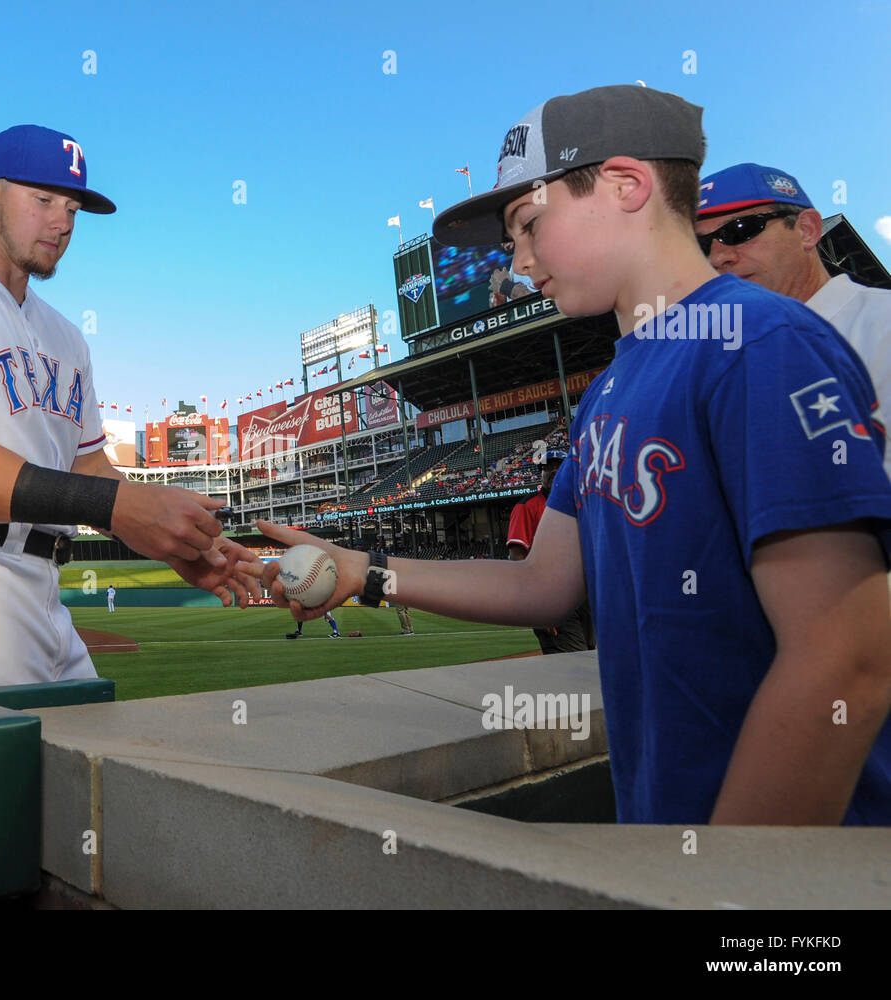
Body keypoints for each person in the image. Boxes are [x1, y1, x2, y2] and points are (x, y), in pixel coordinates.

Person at [260, 84, 891, 826]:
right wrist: (366, 573)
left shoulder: (757, 341)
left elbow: (849, 652)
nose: (519, 261)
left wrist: (723, 885)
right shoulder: (609, 389)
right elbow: (544, 586)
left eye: (529, 224)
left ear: (626, 185)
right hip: (663, 832)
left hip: (782, 870)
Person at [0, 124, 260, 690]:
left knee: (85, 768)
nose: (62, 222)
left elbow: (90, 469)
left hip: (47, 590)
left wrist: (181, 540)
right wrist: (118, 506)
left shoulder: (67, 337)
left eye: (72, 207)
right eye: (43, 199)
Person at [695, 162, 891, 481]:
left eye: (740, 230)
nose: (718, 257)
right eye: (702, 245)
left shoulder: (882, 323)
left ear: (807, 230)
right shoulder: (713, 361)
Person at [506, 448, 592, 653]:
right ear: (541, 474)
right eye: (547, 468)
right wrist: (538, 606)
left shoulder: (583, 502)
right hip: (553, 597)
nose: (553, 471)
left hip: (586, 595)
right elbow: (518, 557)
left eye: (559, 466)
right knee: (571, 662)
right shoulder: (527, 506)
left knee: (592, 656)